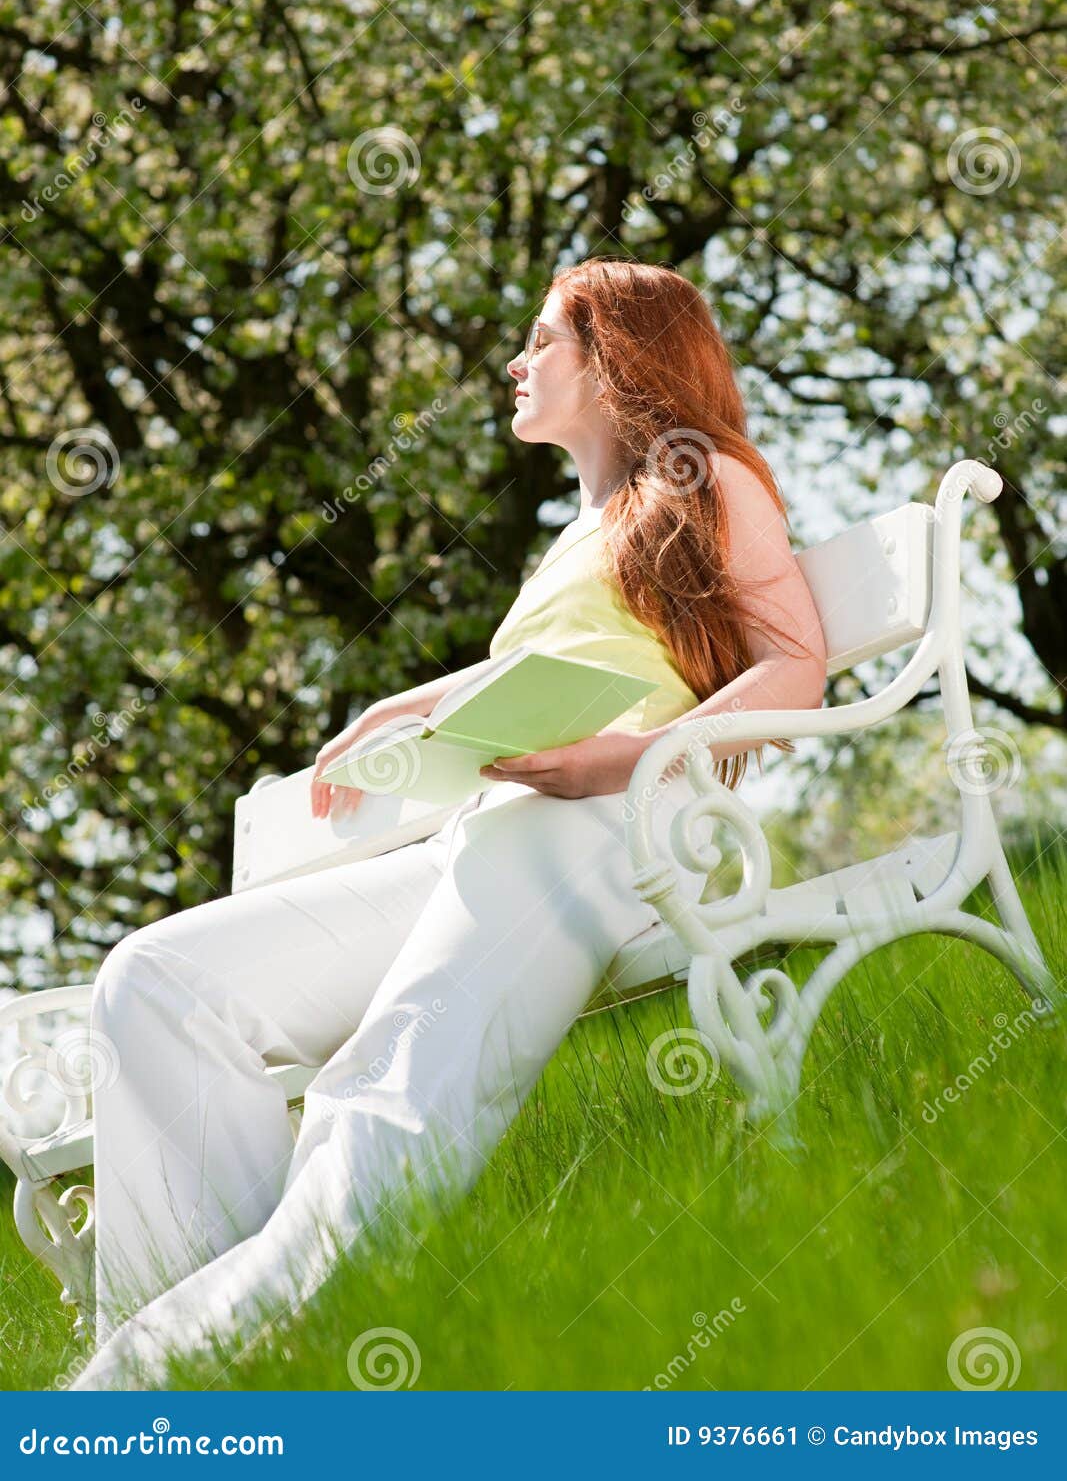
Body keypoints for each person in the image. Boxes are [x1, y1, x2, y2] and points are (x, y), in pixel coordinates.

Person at [70, 258, 827, 1388]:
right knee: (156, 982)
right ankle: (209, 1363)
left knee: (386, 1086)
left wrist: (619, 760)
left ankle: (169, 1383)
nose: (516, 363)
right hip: (487, 830)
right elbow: (542, 668)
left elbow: (796, 667)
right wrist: (403, 708)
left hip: (613, 827)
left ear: (615, 356)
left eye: (542, 339)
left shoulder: (700, 473)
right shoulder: (581, 529)